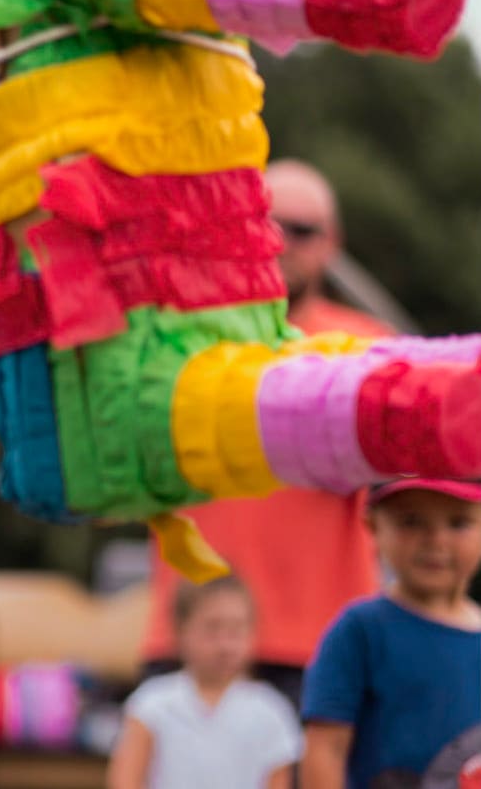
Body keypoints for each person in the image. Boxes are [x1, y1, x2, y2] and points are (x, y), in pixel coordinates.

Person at [139, 159, 389, 709]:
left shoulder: (371, 347)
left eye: (301, 230)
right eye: (265, 221)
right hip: (188, 634)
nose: (280, 241)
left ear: (332, 243)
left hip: (321, 645)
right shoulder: (175, 333)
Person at [301, 478, 481, 789]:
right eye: (411, 522)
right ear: (372, 527)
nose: (436, 540)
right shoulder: (360, 629)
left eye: (458, 523)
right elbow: (326, 748)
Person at [109, 576, 302, 789]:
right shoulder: (150, 705)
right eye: (212, 628)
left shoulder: (272, 711)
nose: (225, 645)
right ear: (181, 630)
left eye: (236, 630)